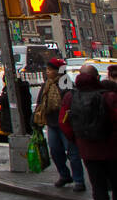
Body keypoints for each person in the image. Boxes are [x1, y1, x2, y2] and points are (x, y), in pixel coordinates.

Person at [59, 65, 117, 200]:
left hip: (88, 152)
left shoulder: (71, 97)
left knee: (99, 191)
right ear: (97, 78)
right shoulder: (109, 96)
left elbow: (64, 123)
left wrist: (78, 140)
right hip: (112, 149)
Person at [35, 58, 85, 191]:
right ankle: (64, 175)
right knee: (55, 152)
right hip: (52, 123)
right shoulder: (47, 84)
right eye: (47, 69)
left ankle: (79, 180)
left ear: (58, 71)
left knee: (73, 154)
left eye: (50, 70)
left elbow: (72, 103)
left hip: (66, 124)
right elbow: (40, 102)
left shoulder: (67, 85)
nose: (47, 72)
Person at [0, 70, 33, 136]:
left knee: (17, 136)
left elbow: (3, 101)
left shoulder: (12, 89)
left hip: (13, 120)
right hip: (24, 120)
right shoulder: (23, 87)